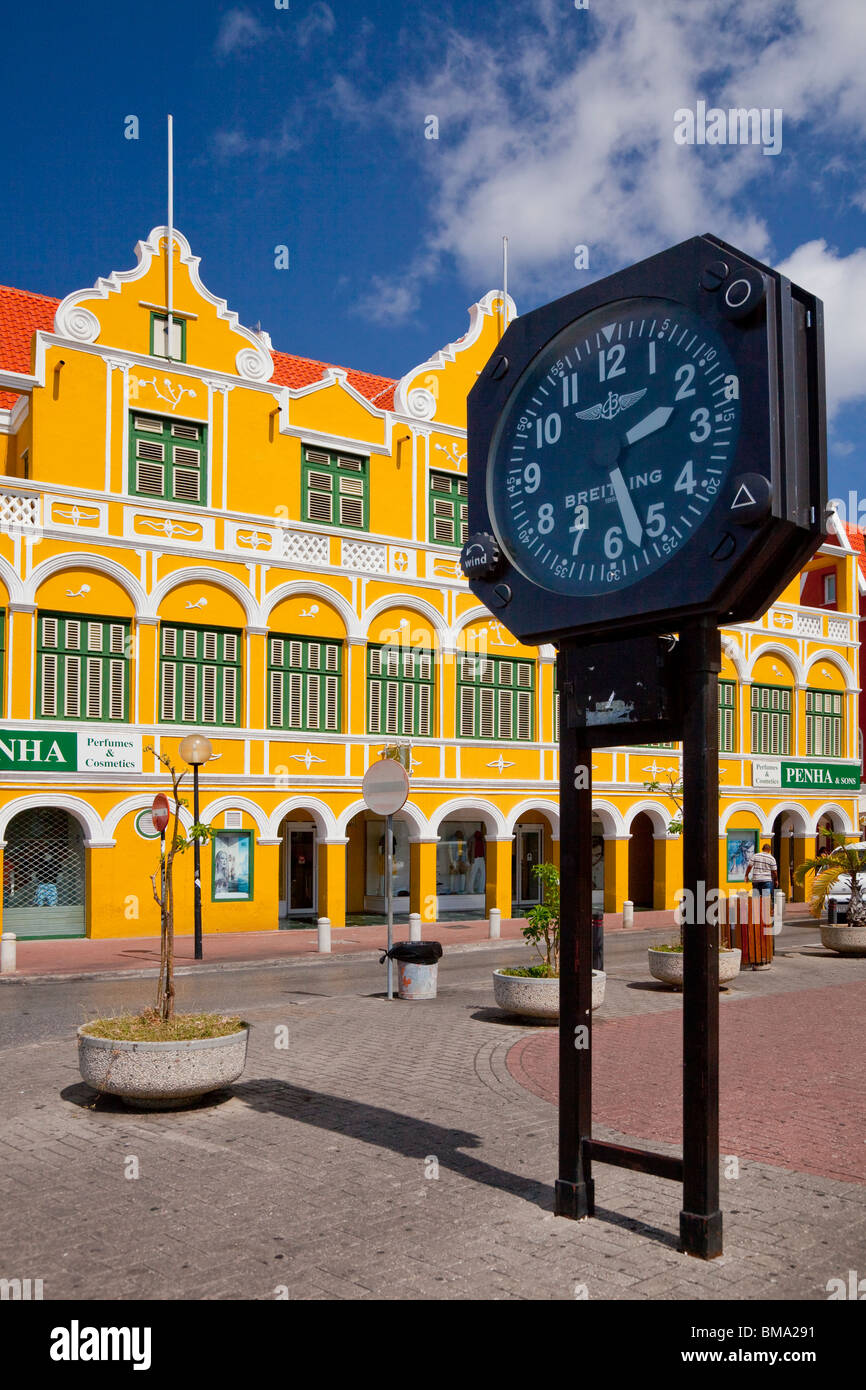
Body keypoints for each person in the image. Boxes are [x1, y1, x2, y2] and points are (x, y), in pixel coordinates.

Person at [745, 841, 778, 916]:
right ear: (769, 850)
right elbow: (774, 872)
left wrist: (746, 875)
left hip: (756, 880)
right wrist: (776, 880)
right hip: (766, 881)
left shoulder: (755, 856)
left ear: (762, 849)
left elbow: (749, 866)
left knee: (756, 898)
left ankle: (756, 914)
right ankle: (766, 914)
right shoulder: (771, 858)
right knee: (765, 898)